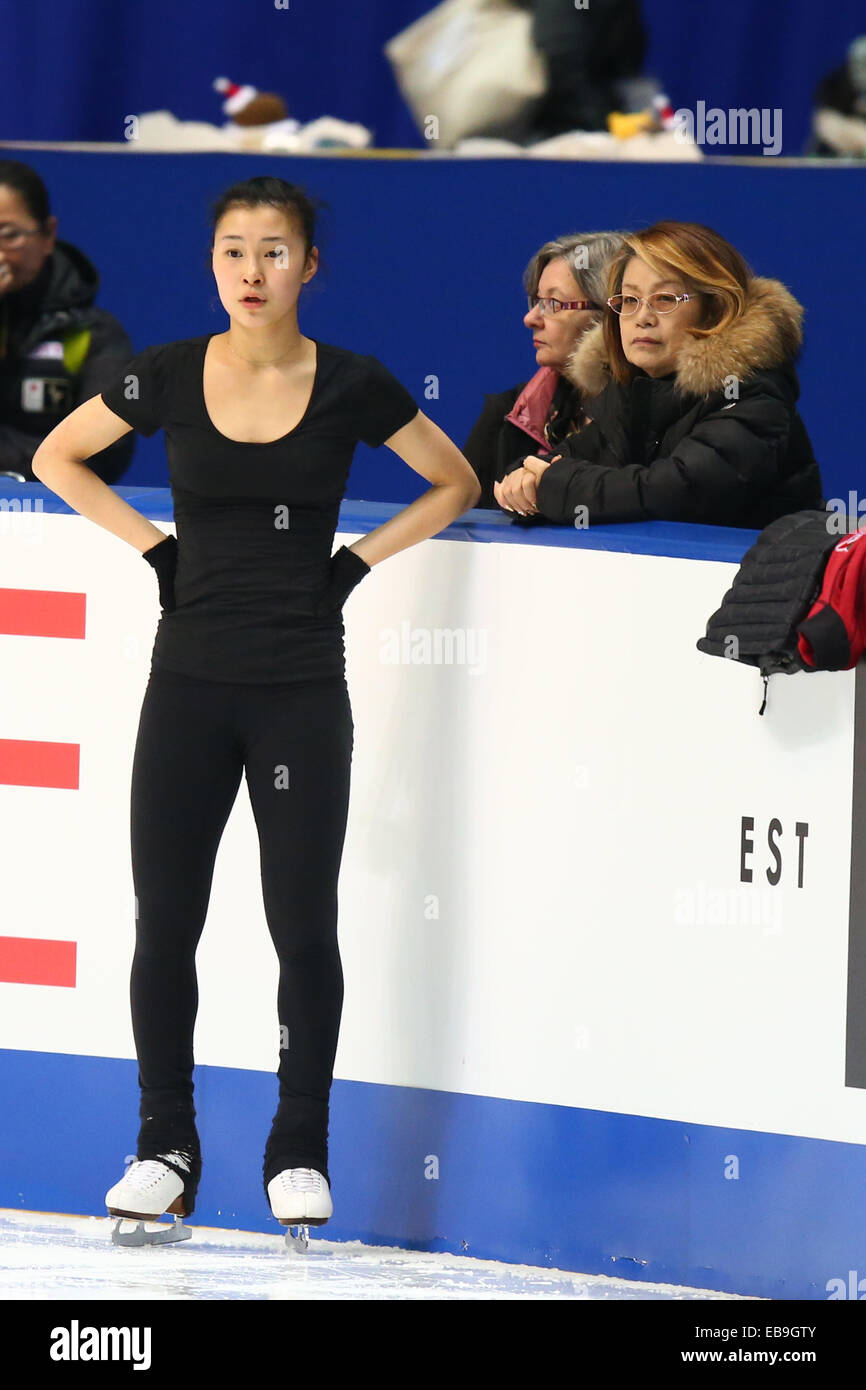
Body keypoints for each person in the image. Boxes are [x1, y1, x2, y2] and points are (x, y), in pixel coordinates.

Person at [30, 175, 480, 1242]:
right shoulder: (169, 373)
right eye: (233, 250)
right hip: (186, 683)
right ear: (211, 263)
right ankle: (164, 1144)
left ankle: (298, 1148)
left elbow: (452, 481)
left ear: (308, 266)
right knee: (165, 921)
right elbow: (58, 456)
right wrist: (154, 548)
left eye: (274, 252)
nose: (251, 271)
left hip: (297, 691)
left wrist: (353, 565)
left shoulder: (354, 384)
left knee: (300, 925)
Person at [494, 221, 824, 528]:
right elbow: (552, 464)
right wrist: (523, 482)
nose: (643, 317)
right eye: (629, 300)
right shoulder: (629, 390)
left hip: (761, 585)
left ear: (715, 309)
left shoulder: (752, 392)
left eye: (665, 299)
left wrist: (557, 486)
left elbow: (679, 491)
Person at [463, 230, 625, 508]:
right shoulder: (506, 414)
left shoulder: (652, 415)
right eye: (536, 302)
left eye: (553, 304)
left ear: (607, 314)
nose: (530, 319)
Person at [0, 160, 135, 483]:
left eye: (9, 235)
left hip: (53, 521)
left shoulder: (95, 333)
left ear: (48, 235)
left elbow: (105, 452)